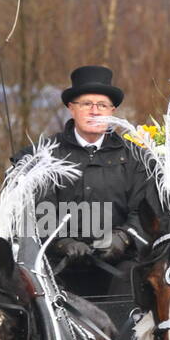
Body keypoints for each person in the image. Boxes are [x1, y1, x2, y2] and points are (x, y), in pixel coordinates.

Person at [12, 65, 151, 300]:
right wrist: (62, 242)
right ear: (71, 108)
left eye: (102, 105)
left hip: (120, 270)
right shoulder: (44, 156)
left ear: (112, 111)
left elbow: (145, 210)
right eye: (87, 104)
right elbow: (35, 211)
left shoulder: (137, 159)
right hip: (58, 268)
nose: (95, 111)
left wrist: (123, 237)